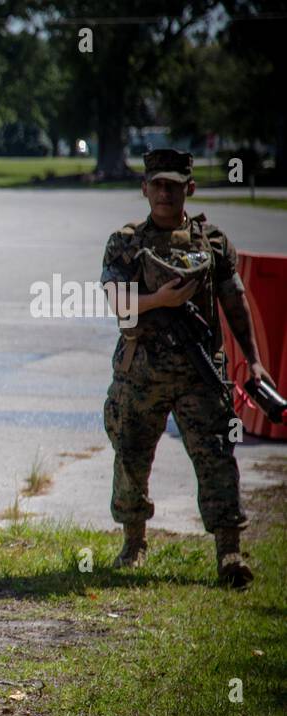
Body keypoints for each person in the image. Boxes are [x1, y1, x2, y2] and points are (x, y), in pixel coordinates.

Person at [101, 147, 276, 587]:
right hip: (141, 373)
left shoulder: (212, 243)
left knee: (217, 457)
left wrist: (253, 360)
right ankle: (134, 541)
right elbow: (117, 303)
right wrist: (160, 301)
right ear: (144, 189)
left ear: (189, 189)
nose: (164, 192)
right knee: (131, 457)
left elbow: (235, 303)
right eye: (157, 184)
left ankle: (229, 552)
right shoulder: (126, 242)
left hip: (200, 376)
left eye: (173, 185)